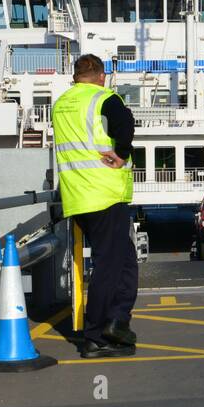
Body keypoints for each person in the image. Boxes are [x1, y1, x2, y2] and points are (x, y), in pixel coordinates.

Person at [53, 53, 138, 358]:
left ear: (75, 76)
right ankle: (95, 335)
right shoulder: (104, 98)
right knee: (108, 264)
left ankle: (117, 321)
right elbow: (124, 123)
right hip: (105, 193)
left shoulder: (61, 104)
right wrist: (123, 153)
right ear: (101, 76)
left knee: (124, 261)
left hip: (77, 196)